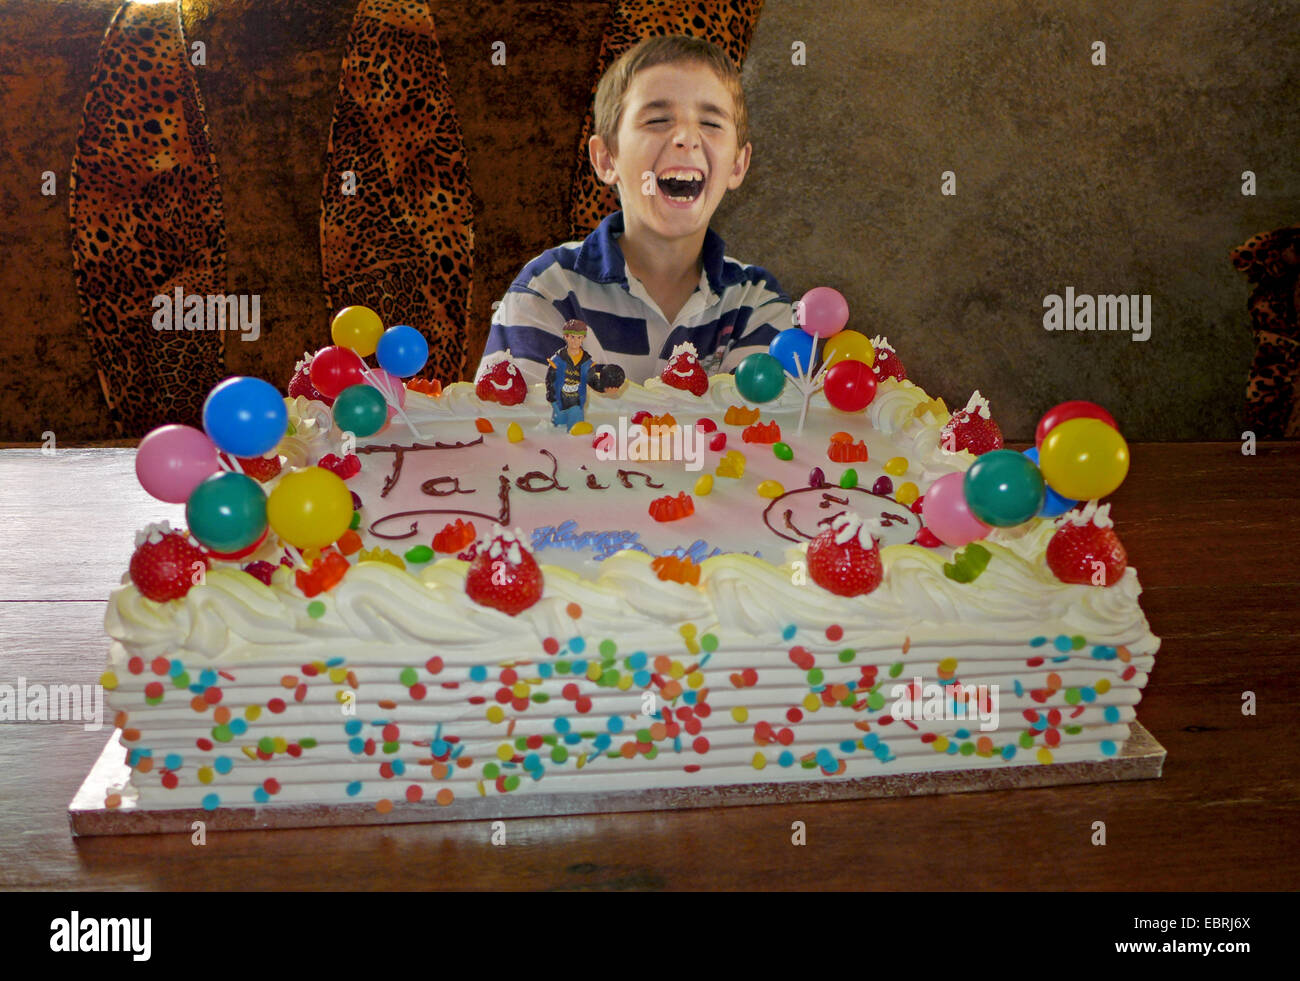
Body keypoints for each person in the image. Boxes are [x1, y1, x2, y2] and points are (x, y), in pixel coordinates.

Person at [478, 34, 791, 388]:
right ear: (606, 159)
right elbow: (520, 420)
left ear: (737, 164)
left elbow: (754, 422)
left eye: (711, 123)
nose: (686, 137)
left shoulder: (757, 304)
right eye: (657, 120)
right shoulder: (548, 289)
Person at [546, 320, 594, 427]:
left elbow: (592, 380)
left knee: (576, 427)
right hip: (559, 400)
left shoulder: (586, 361)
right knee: (558, 426)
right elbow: (550, 379)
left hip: (577, 401)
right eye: (572, 337)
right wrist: (551, 395)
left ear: (583, 338)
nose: (575, 341)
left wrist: (604, 386)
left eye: (579, 337)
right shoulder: (557, 359)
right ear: (565, 337)